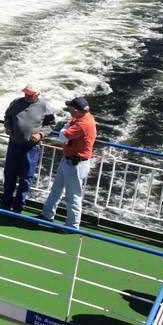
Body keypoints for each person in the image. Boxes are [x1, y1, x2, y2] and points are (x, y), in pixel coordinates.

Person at [39, 97, 96, 228]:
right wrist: (68, 127)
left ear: (76, 110)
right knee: (56, 189)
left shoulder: (83, 124)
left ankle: (72, 225)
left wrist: (65, 128)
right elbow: (69, 128)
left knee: (73, 196)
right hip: (69, 160)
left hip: (76, 164)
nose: (69, 110)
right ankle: (47, 215)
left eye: (70, 108)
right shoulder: (85, 118)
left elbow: (63, 135)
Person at [0, 83, 56, 213]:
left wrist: (40, 134)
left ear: (37, 95)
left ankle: (18, 207)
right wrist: (8, 126)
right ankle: (5, 204)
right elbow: (7, 116)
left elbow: (51, 125)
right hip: (14, 145)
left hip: (30, 148)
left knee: (25, 179)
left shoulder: (45, 107)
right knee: (9, 176)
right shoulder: (16, 103)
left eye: (30, 95)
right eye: (25, 94)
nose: (26, 96)